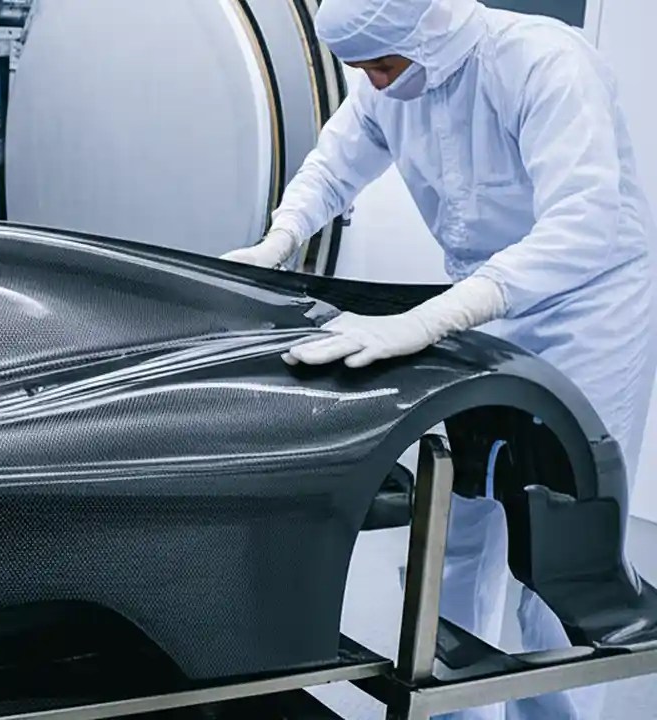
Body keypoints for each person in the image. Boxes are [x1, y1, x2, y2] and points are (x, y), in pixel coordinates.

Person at [224, 0, 657, 718]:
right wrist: (281, 237)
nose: (375, 81)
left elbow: (583, 223)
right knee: (461, 532)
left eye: (384, 66)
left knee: (557, 551)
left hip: (588, 312)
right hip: (483, 303)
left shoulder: (543, 64)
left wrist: (436, 317)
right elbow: (335, 164)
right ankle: (453, 711)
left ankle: (552, 713)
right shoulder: (391, 75)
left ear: (431, 33)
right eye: (361, 70)